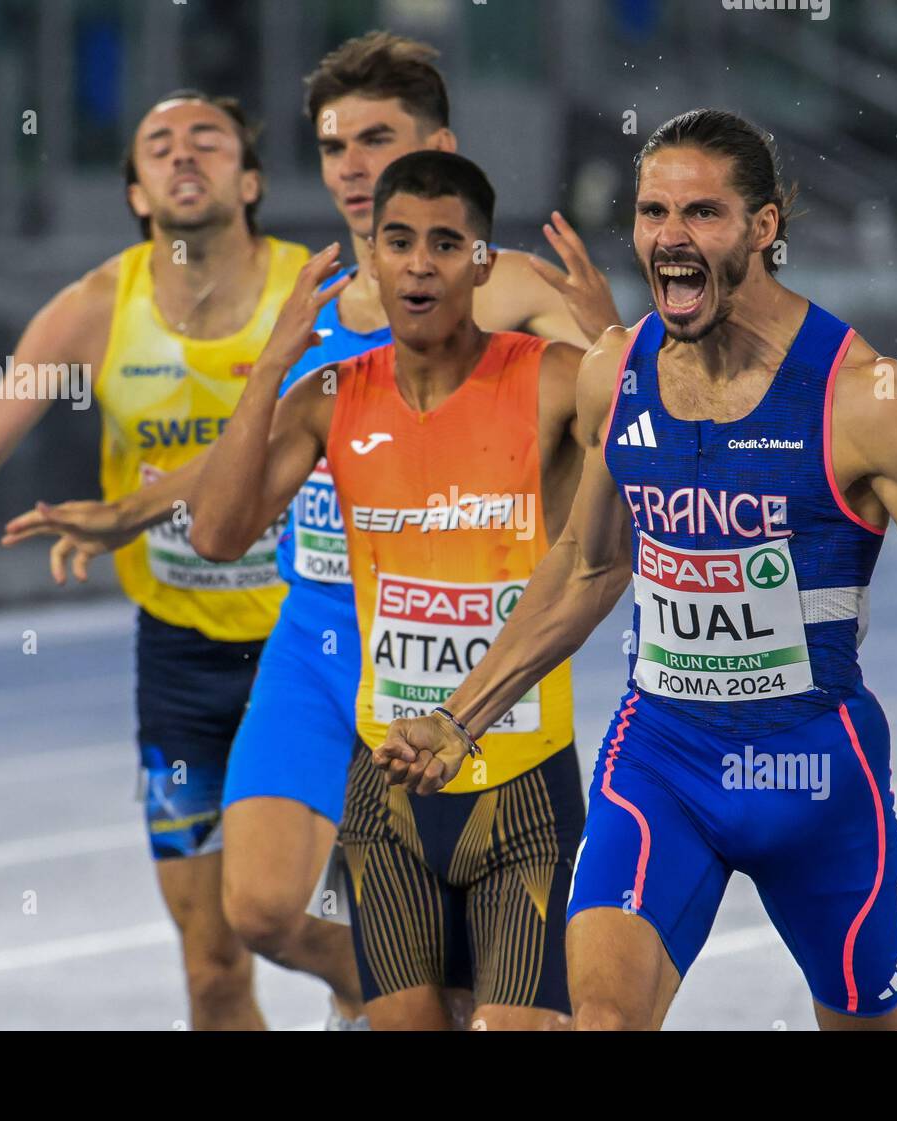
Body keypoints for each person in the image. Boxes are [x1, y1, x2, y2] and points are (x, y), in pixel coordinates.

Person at [2, 33, 618, 1029]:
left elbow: (624, 431)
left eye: (378, 139)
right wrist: (131, 508)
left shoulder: (510, 294)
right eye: (334, 147)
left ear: (442, 146)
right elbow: (259, 446)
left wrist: (614, 356)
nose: (354, 167)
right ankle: (399, 990)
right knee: (258, 906)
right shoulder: (313, 293)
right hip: (320, 635)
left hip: (472, 647)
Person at [373, 109, 897, 1031]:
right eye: (652, 213)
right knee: (597, 1020)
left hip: (814, 774)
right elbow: (589, 565)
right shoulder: (617, 372)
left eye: (703, 214)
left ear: (765, 227)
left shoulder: (865, 399)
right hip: (663, 759)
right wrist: (457, 718)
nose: (669, 238)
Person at [0, 92, 311, 1030]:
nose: (182, 152)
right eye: (157, 143)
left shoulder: (316, 298)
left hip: (322, 651)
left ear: (251, 181)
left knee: (365, 938)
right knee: (210, 966)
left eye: (208, 138)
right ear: (134, 191)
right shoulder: (90, 311)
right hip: (183, 665)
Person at [192, 150, 590, 1028]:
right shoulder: (333, 397)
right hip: (392, 794)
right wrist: (269, 369)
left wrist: (619, 352)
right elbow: (218, 534)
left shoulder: (550, 376)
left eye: (446, 244)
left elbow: (656, 472)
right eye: (397, 241)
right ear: (370, 258)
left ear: (483, 264)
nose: (418, 263)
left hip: (518, 784)